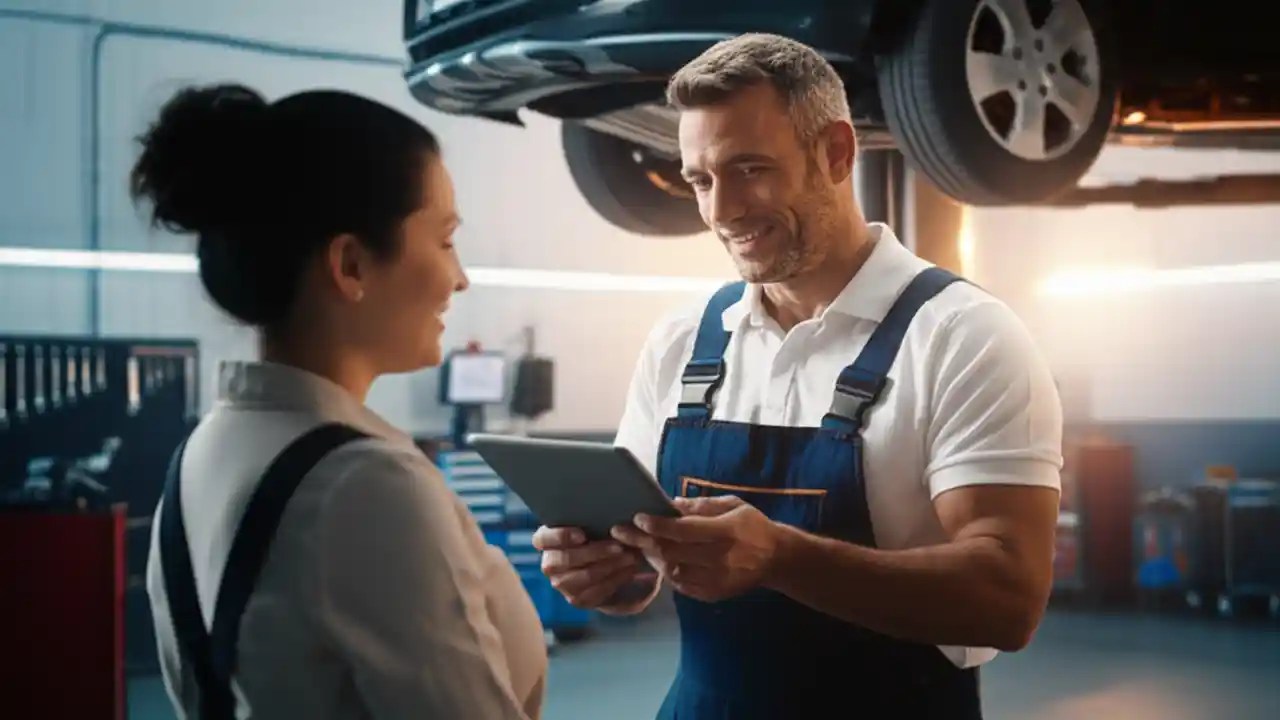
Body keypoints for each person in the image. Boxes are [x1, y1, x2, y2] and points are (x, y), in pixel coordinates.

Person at [533, 33, 1063, 718]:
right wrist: (612, 575)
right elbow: (642, 558)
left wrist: (781, 557)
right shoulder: (681, 342)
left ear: (836, 153)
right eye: (700, 179)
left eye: (749, 169)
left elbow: (1008, 600)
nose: (721, 210)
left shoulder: (964, 337)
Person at [134, 84, 546, 719]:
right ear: (351, 265)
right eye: (443, 240)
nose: (458, 277)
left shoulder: (201, 453)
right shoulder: (365, 482)